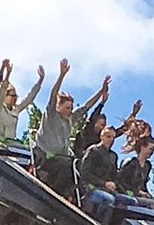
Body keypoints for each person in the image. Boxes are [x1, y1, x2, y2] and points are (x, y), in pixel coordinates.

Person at [33, 59, 108, 199]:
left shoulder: (70, 120)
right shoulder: (51, 115)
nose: (70, 111)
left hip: (61, 158)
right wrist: (61, 75)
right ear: (59, 106)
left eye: (71, 108)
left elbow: (86, 107)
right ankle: (54, 189)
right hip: (45, 157)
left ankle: (75, 196)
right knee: (67, 167)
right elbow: (53, 94)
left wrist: (101, 92)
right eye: (67, 108)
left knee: (78, 165)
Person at [79, 126, 134, 221]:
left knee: (131, 201)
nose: (111, 140)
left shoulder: (113, 156)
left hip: (108, 190)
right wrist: (104, 183)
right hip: (91, 188)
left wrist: (115, 186)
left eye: (113, 137)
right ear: (102, 137)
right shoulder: (93, 150)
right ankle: (96, 222)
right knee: (108, 199)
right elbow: (84, 173)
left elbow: (114, 178)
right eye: (108, 137)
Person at [0, 64, 45, 143]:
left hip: (11, 142)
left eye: (16, 96)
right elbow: (3, 90)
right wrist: (7, 74)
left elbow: (29, 99)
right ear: (5, 96)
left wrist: (40, 81)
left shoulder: (16, 110)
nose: (15, 98)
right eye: (12, 96)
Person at [116, 134, 154, 209]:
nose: (152, 152)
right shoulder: (131, 163)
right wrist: (137, 192)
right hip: (127, 194)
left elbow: (143, 185)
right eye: (150, 149)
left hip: (139, 196)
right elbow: (120, 182)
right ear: (142, 147)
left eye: (153, 150)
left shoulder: (147, 166)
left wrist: (148, 195)